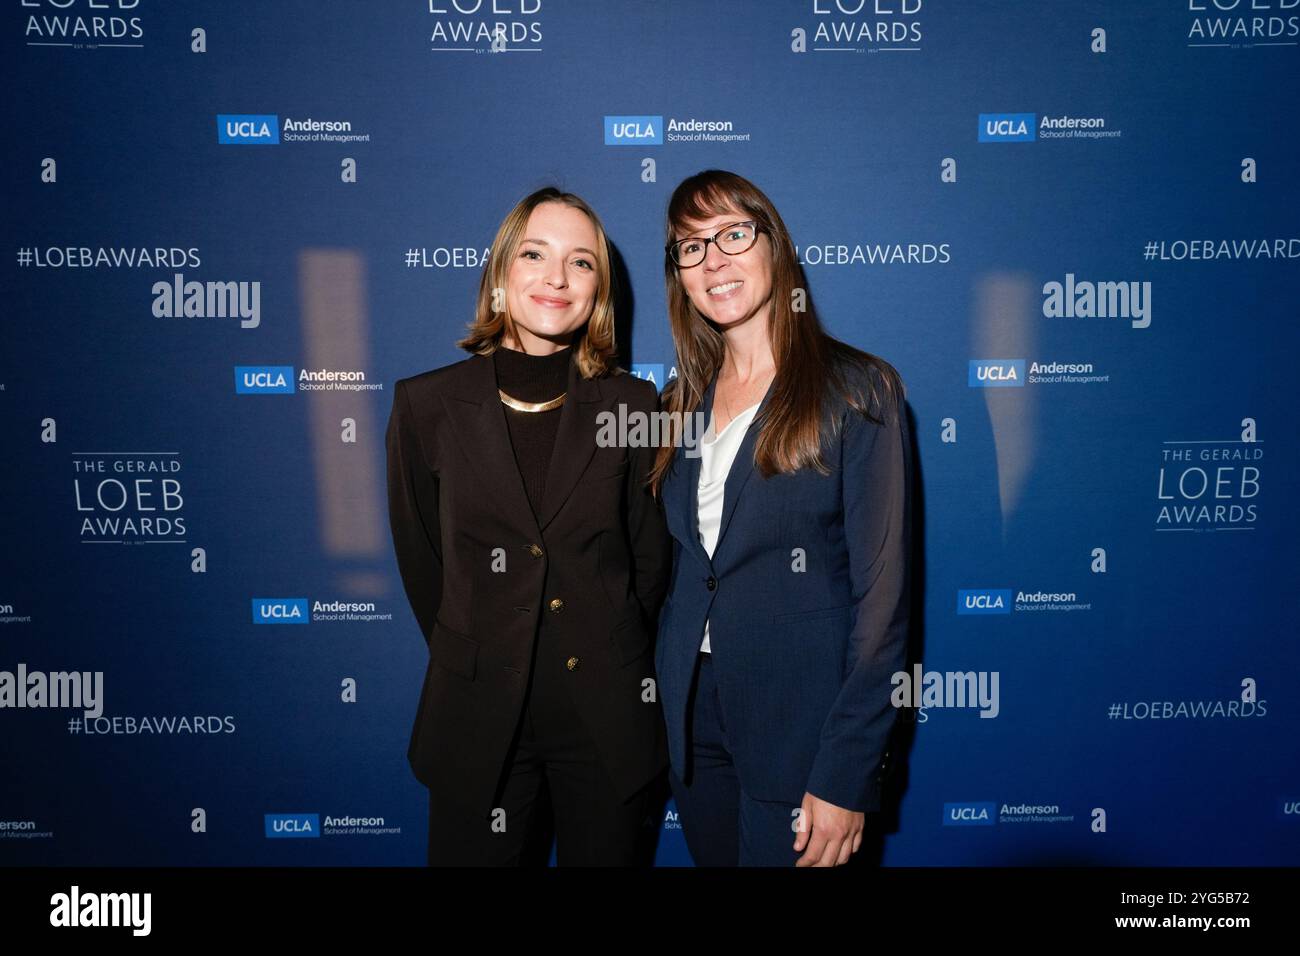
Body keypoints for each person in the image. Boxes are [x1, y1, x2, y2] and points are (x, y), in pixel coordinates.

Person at [385, 186, 671, 865]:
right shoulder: (426, 406)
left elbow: (651, 563)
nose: (556, 278)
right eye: (535, 254)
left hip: (607, 723)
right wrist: (482, 653)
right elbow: (424, 562)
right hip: (477, 720)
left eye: (581, 263)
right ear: (500, 276)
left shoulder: (634, 403)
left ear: (599, 291)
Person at [650, 169, 914, 867]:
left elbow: (882, 602)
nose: (715, 260)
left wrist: (846, 770)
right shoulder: (679, 403)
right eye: (691, 246)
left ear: (775, 246)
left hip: (803, 727)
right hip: (692, 720)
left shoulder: (858, 390)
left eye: (734, 234)